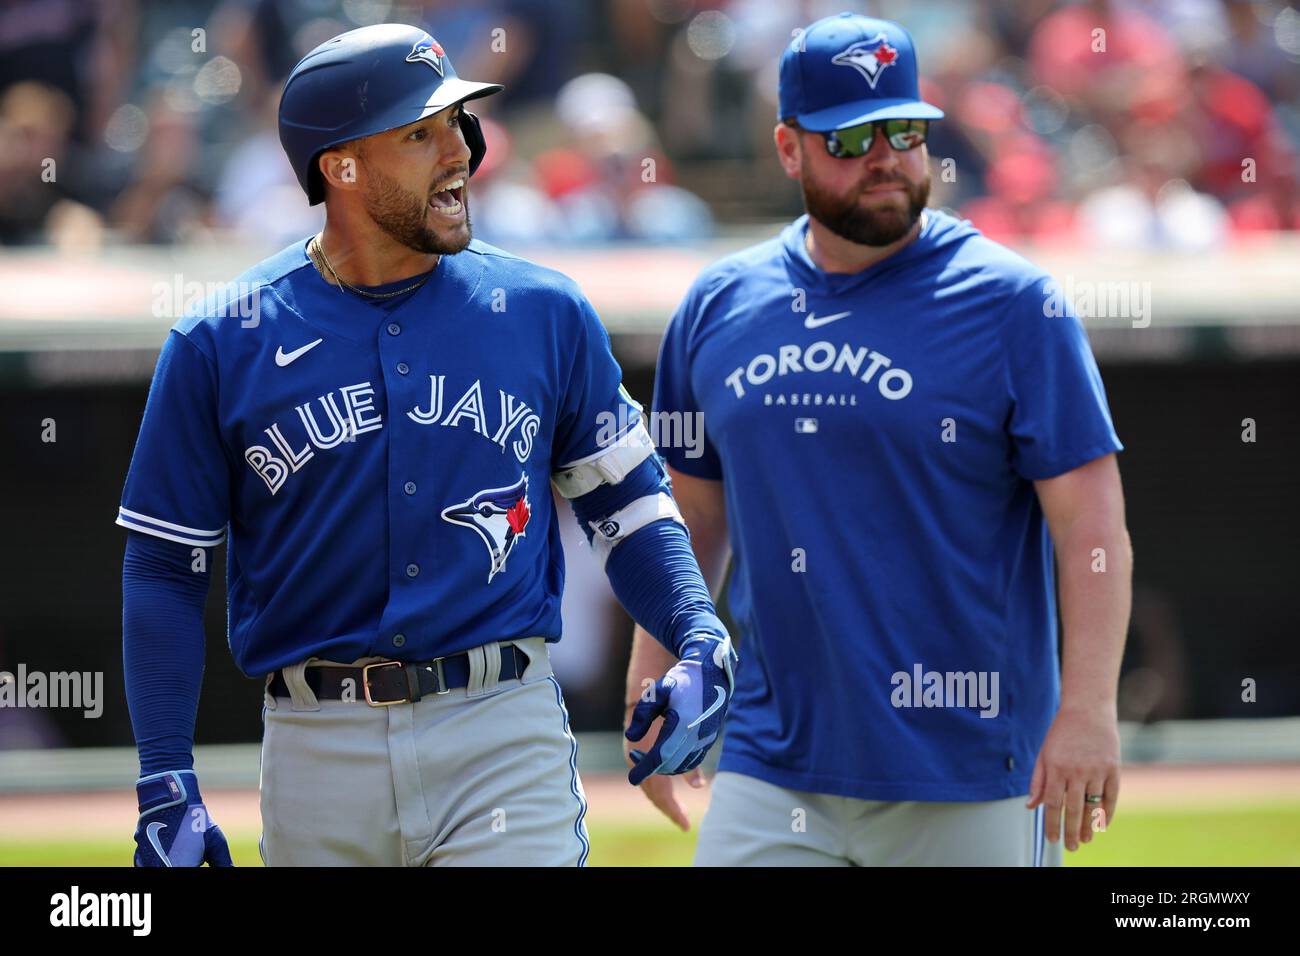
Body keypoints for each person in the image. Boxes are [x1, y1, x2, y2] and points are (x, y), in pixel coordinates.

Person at [118, 23, 735, 867]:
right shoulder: (221, 340)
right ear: (340, 166)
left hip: (499, 726)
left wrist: (700, 634)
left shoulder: (542, 311)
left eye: (459, 124)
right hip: (314, 743)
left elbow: (626, 505)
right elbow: (163, 566)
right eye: (421, 132)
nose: (461, 152)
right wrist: (164, 781)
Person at [625, 13, 1132, 866]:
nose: (886, 156)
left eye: (904, 129)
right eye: (850, 137)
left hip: (972, 767)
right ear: (788, 149)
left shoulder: (1014, 304)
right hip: (771, 758)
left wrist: (1088, 710)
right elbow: (688, 518)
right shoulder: (714, 307)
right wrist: (654, 675)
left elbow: (1091, 527)